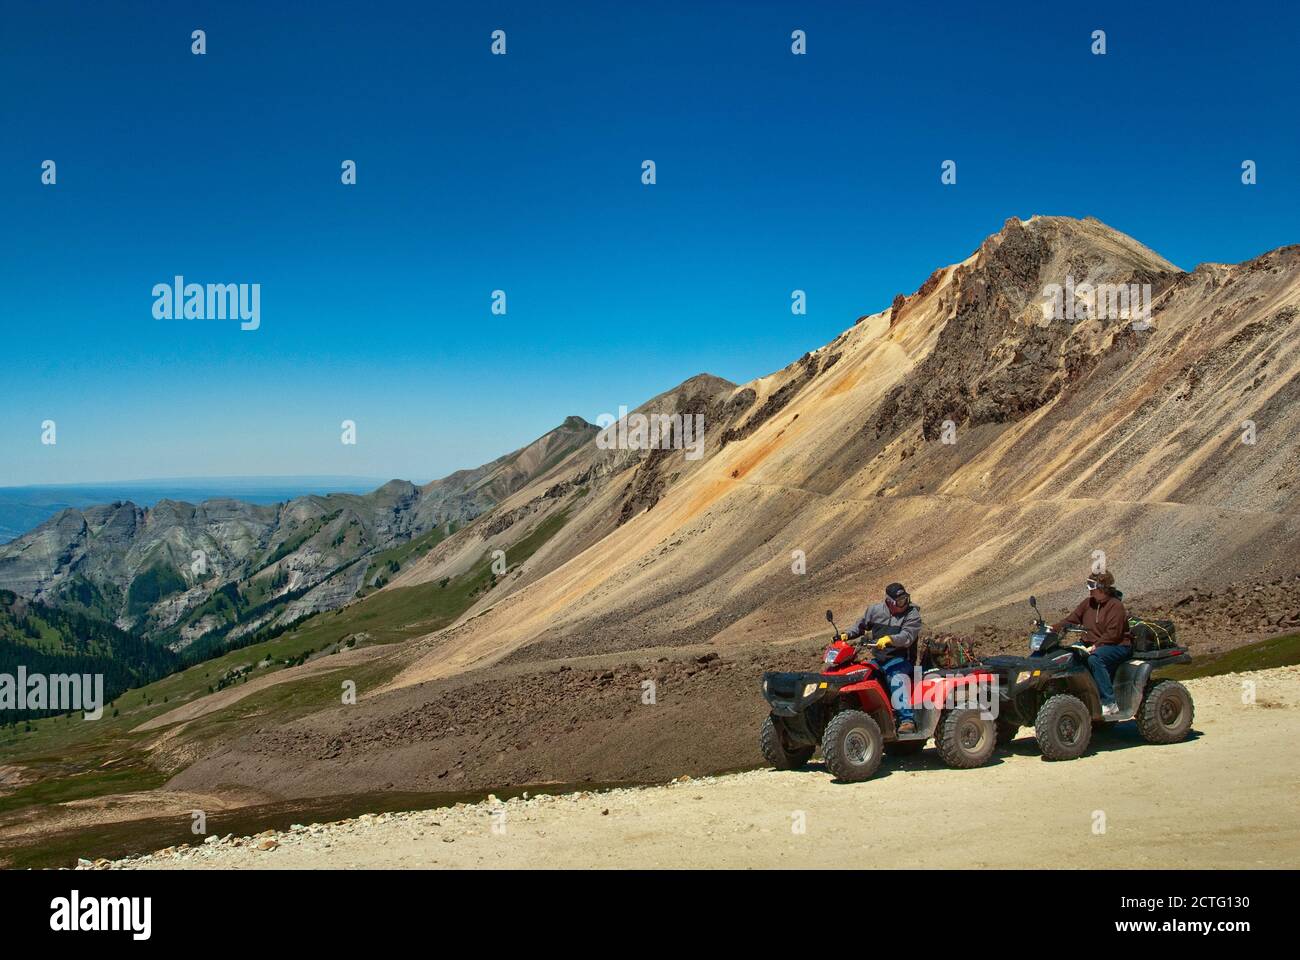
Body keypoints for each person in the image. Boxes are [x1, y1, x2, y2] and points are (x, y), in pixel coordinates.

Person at [839, 582, 922, 734]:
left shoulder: (912, 614)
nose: (904, 603)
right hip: (879, 659)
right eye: (900, 601)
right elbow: (860, 625)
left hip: (901, 659)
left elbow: (907, 637)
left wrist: (890, 639)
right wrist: (847, 634)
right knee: (862, 675)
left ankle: (907, 720)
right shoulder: (875, 611)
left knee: (895, 677)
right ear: (889, 601)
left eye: (905, 599)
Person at [1052, 570, 1130, 717]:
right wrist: (1054, 628)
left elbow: (1113, 634)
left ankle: (1109, 703)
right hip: (1094, 643)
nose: (1090, 591)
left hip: (1117, 645)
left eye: (1092, 587)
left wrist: (1095, 646)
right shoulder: (1088, 603)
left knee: (1095, 658)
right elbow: (1072, 619)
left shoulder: (1116, 606)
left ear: (1102, 588)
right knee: (1067, 654)